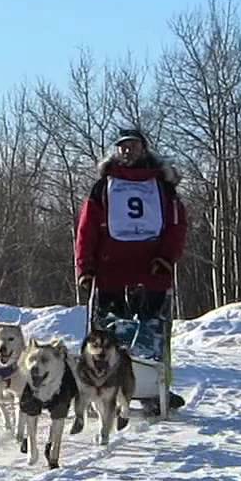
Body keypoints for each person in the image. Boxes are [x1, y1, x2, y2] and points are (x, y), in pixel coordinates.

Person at [74, 128, 188, 408]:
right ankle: (104, 389)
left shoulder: (163, 186)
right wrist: (85, 267)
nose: (128, 151)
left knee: (153, 332)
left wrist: (166, 257)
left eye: (133, 146)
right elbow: (86, 230)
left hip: (153, 269)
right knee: (108, 334)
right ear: (117, 150)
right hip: (110, 269)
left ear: (143, 148)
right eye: (123, 146)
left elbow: (177, 226)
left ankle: (152, 390)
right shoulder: (103, 187)